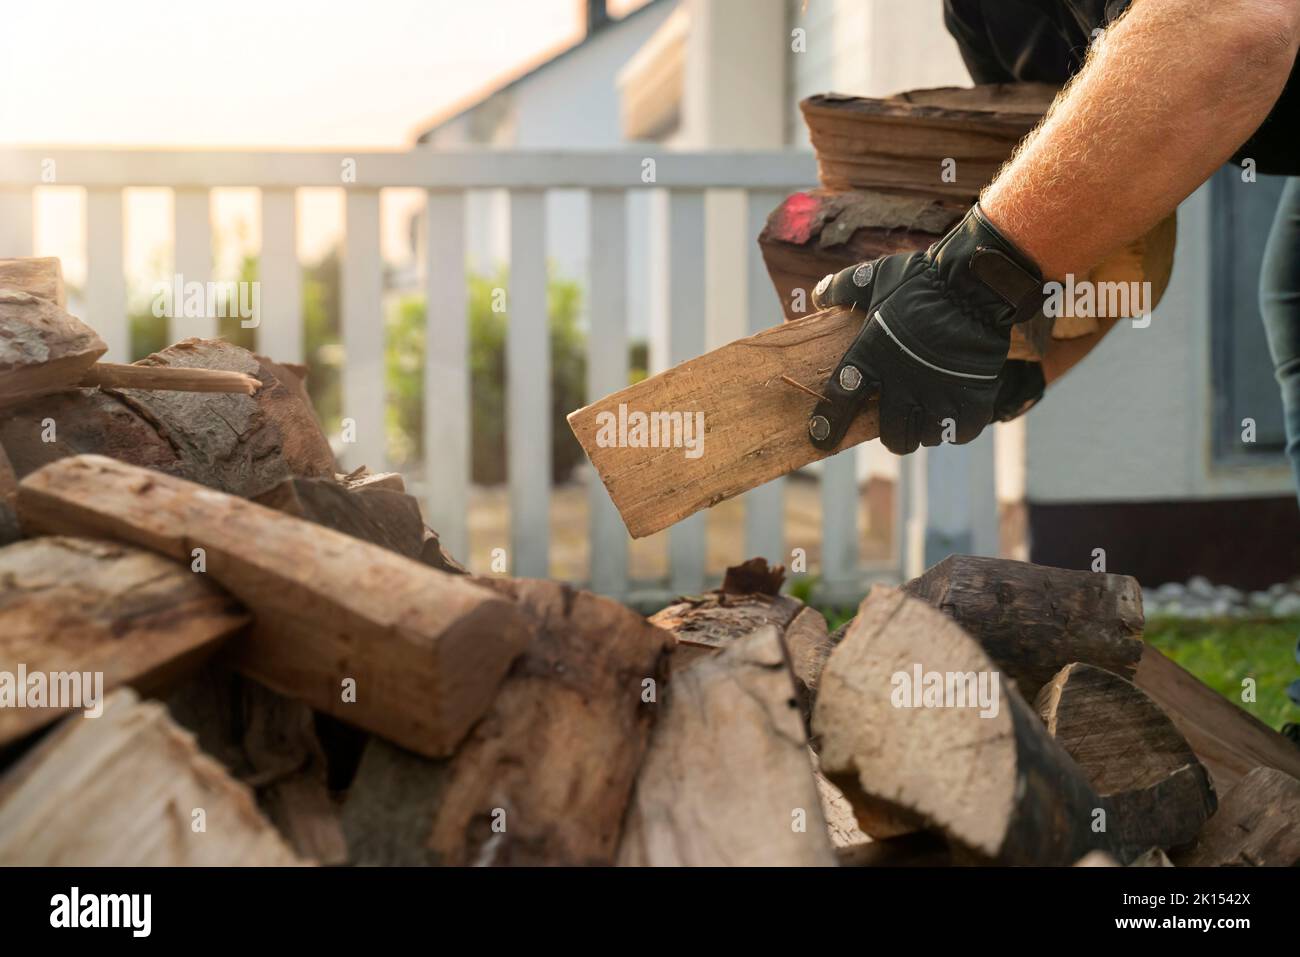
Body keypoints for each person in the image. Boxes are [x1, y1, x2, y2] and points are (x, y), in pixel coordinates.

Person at [807, 0, 1300, 487]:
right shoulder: (980, 14)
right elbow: (1101, 199)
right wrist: (1028, 368)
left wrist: (965, 290)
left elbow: (1243, 21)